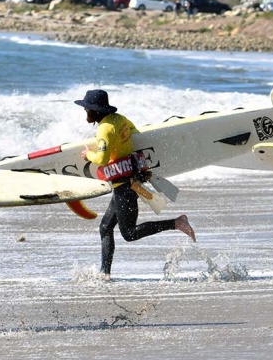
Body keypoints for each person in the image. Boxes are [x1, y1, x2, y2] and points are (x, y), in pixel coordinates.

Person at [75, 89, 196, 279]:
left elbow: (103, 158)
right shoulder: (120, 119)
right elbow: (135, 133)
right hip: (127, 180)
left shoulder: (105, 128)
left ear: (95, 111)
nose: (85, 112)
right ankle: (105, 273)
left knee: (129, 233)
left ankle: (177, 222)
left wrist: (87, 155)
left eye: (87, 109)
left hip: (124, 184)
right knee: (105, 227)